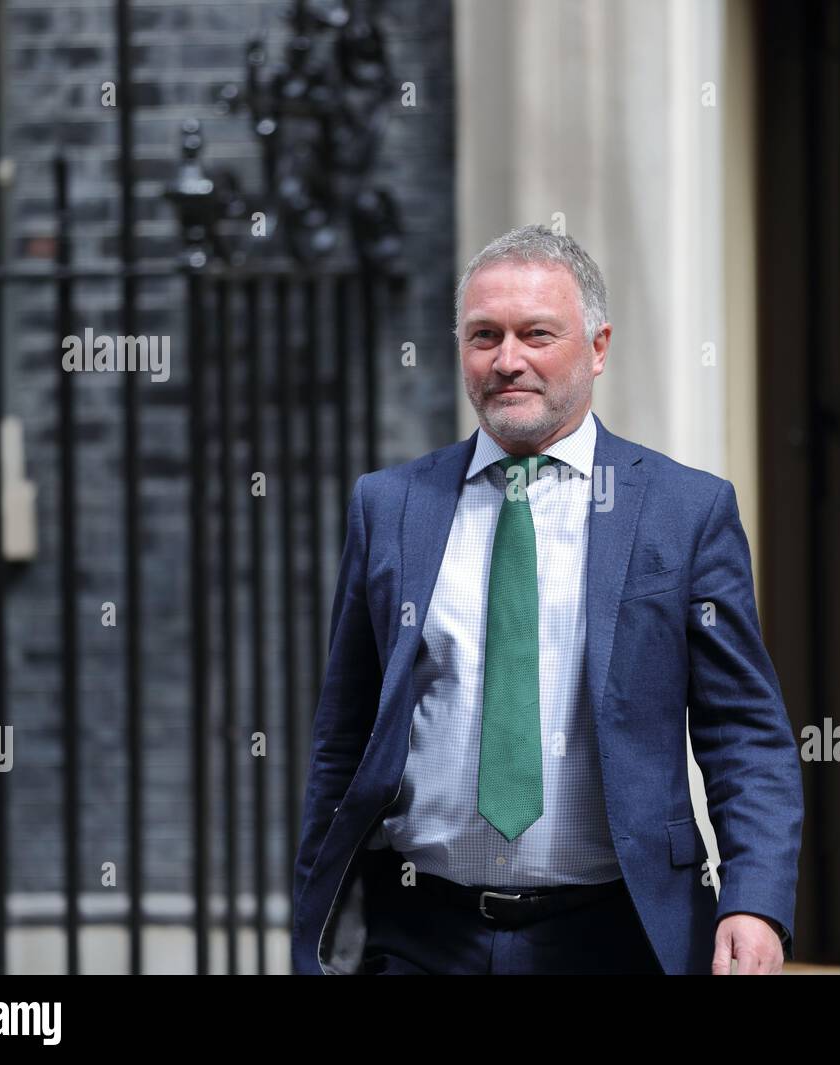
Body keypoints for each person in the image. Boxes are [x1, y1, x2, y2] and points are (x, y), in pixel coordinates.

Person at [291, 224, 803, 974]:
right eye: (483, 335)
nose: (507, 360)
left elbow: (745, 733)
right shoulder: (391, 505)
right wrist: (313, 921)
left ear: (596, 347)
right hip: (419, 934)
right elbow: (344, 734)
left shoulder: (684, 511)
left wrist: (755, 897)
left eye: (537, 333)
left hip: (617, 935)